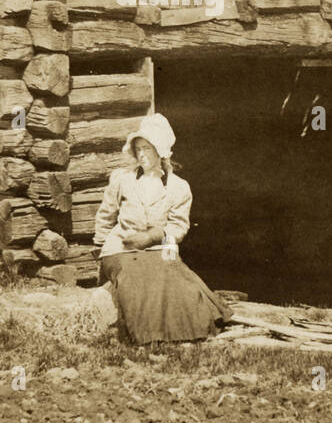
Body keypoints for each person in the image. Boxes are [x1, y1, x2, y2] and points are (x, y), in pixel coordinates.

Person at [92, 113, 232, 344]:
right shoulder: (121, 179)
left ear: (161, 150)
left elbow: (178, 225)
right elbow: (106, 215)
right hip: (121, 246)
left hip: (160, 245)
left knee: (176, 276)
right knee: (135, 277)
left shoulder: (179, 187)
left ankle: (185, 332)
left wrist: (155, 235)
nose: (142, 154)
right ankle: (146, 337)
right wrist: (99, 247)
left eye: (148, 148)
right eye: (138, 149)